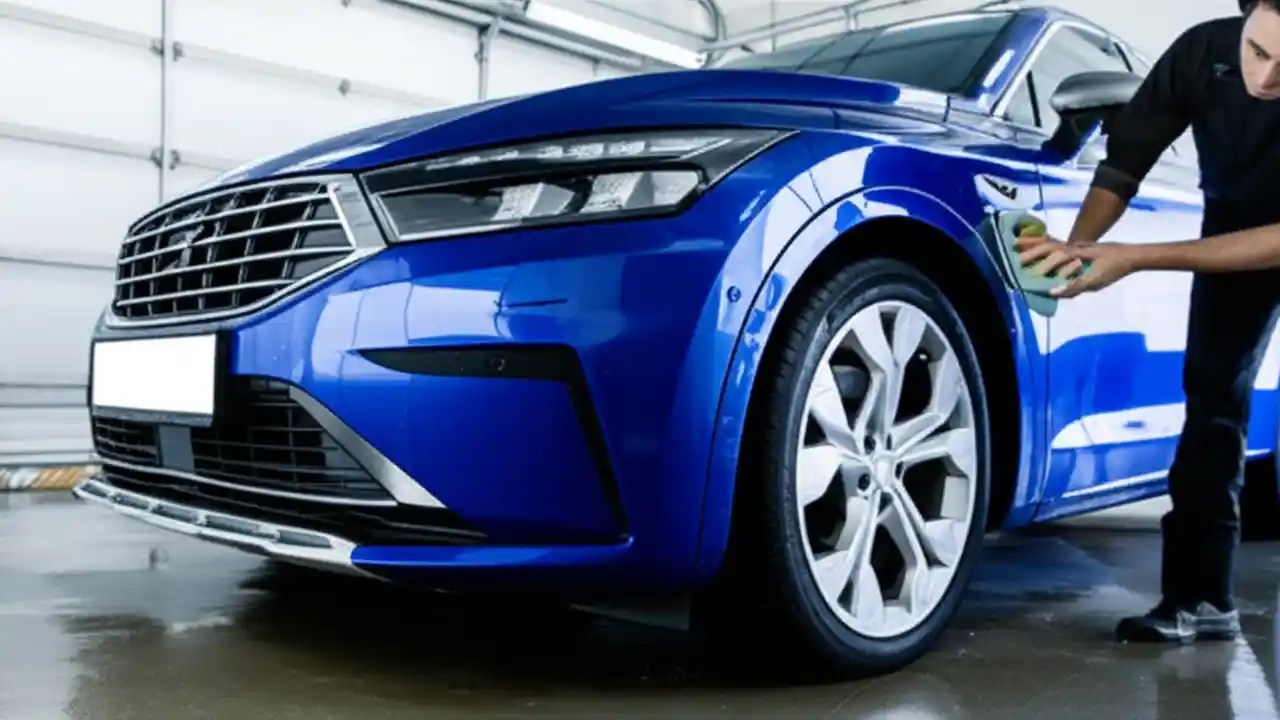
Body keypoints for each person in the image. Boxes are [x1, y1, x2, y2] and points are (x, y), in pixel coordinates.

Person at [1016, 0, 1280, 643]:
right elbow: (1122, 167)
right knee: (1213, 398)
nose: (1267, 78)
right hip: (1233, 217)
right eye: (1259, 53)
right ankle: (1201, 599)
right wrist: (1076, 252)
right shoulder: (1200, 52)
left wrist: (1133, 257)